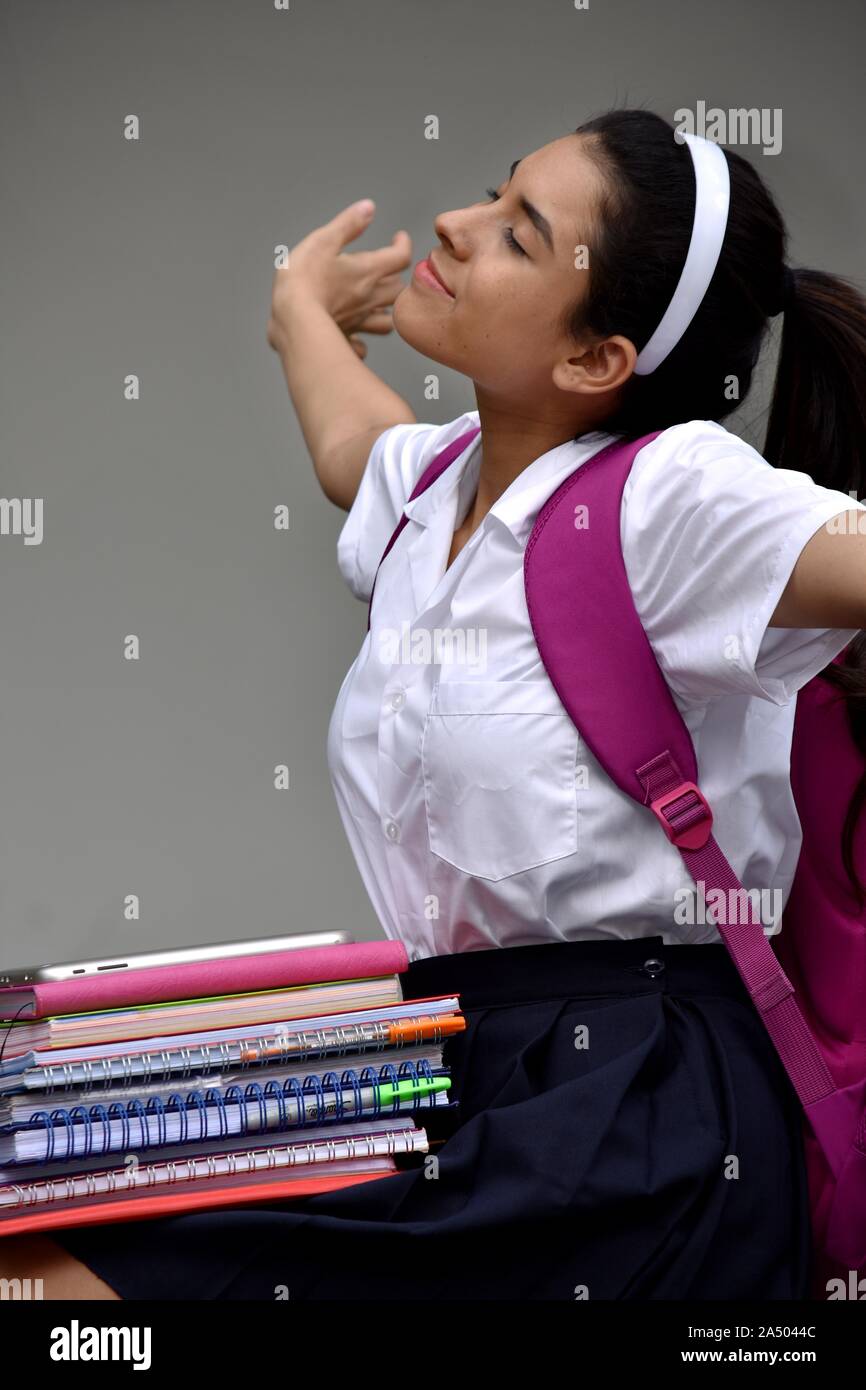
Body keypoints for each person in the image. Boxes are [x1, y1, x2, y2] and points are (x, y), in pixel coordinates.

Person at [7, 107, 866, 1300]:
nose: (457, 225)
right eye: (492, 191)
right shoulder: (427, 490)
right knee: (46, 1239)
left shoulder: (675, 498)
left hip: (634, 1114)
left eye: (520, 234)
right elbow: (348, 435)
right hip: (456, 1065)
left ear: (594, 361)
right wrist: (301, 310)